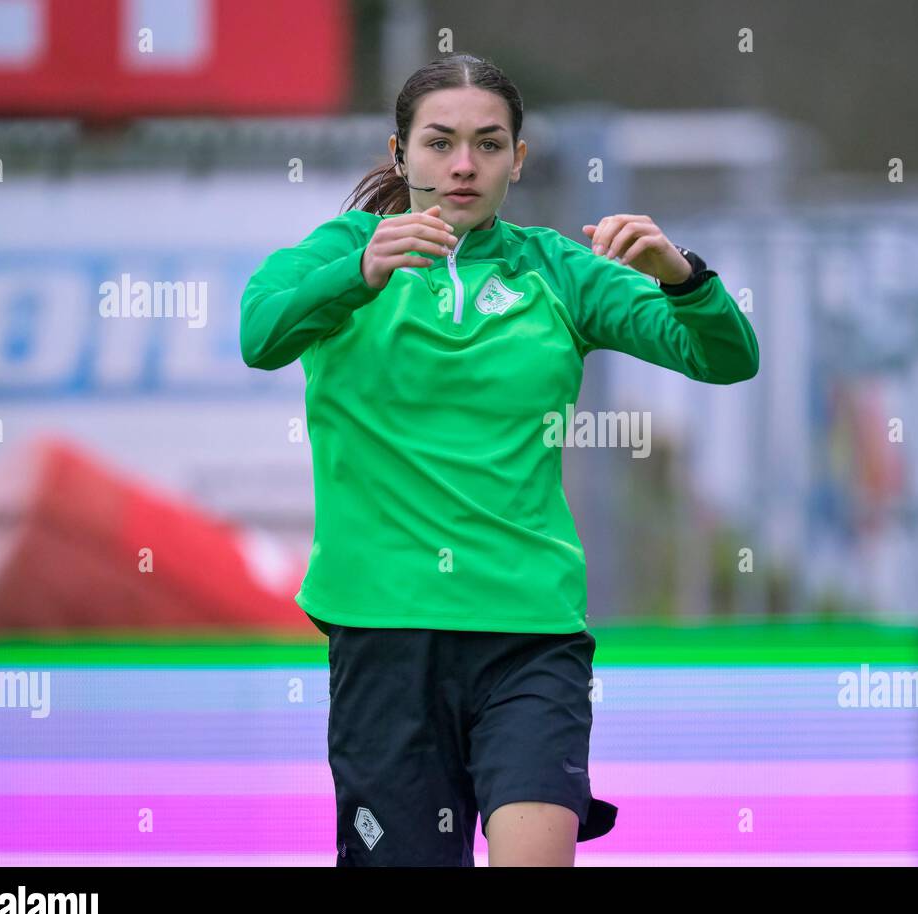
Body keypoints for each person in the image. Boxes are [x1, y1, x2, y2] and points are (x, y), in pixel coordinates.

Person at [239, 52, 760, 866]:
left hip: (529, 632)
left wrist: (681, 276)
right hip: (384, 632)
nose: (462, 164)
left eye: (488, 144)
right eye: (440, 142)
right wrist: (358, 271)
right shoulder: (345, 252)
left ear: (517, 159)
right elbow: (259, 336)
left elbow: (725, 358)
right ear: (400, 153)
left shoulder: (558, 270)